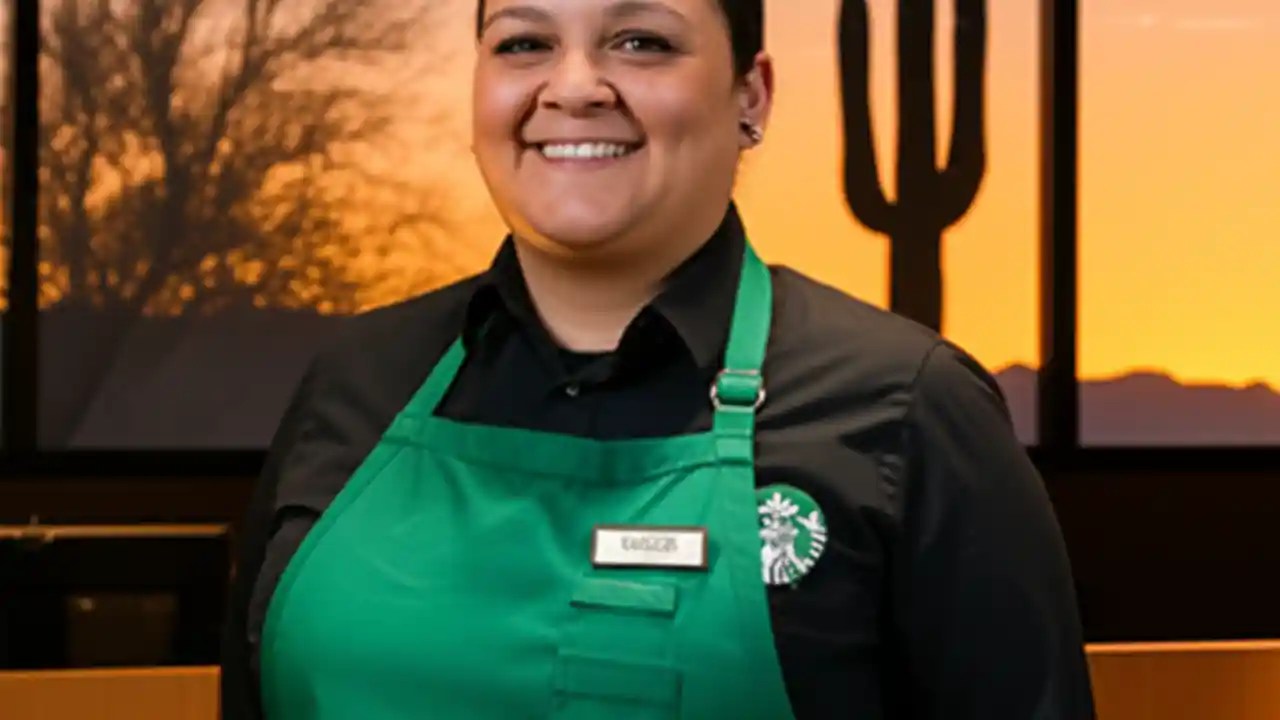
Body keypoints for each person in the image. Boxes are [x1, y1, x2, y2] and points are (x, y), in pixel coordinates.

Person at [219, 0, 1096, 718]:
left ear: (751, 95)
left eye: (642, 42)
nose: (573, 88)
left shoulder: (906, 411)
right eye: (524, 43)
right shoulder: (355, 382)